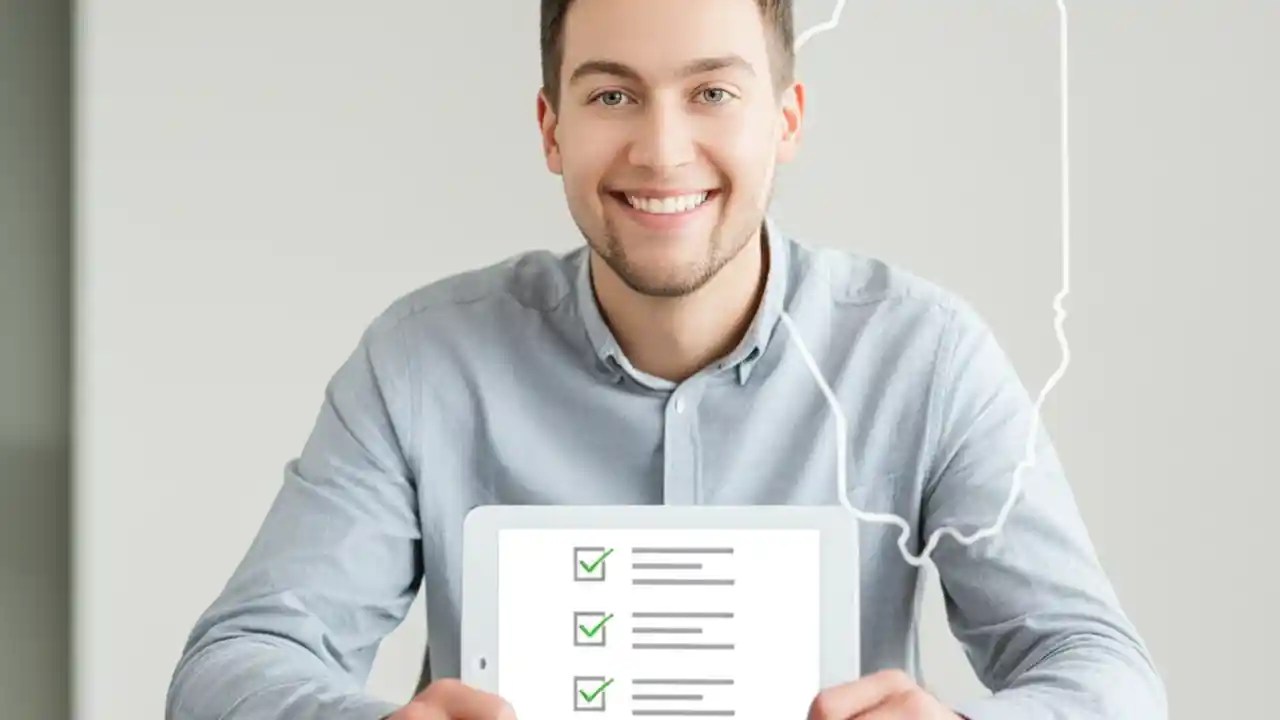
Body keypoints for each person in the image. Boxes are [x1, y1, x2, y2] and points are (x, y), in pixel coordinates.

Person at [166, 0, 1168, 718]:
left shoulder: (923, 356)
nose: (661, 150)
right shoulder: (423, 362)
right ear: (550, 129)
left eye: (712, 92)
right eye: (611, 96)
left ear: (785, 119)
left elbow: (1104, 675)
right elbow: (230, 669)